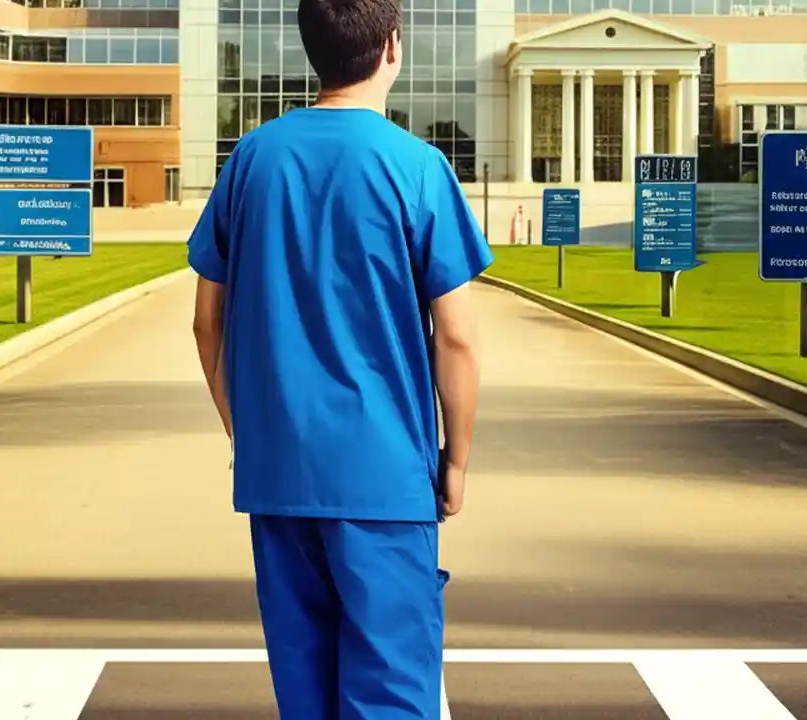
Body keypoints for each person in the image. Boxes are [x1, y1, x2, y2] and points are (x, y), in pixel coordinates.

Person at [187, 0, 492, 714]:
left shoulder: (252, 159)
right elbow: (457, 337)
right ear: (393, 46)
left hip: (279, 473)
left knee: (305, 691)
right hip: (383, 475)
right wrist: (457, 461)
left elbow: (207, 324)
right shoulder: (416, 167)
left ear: (310, 51)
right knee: (390, 692)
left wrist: (245, 427)